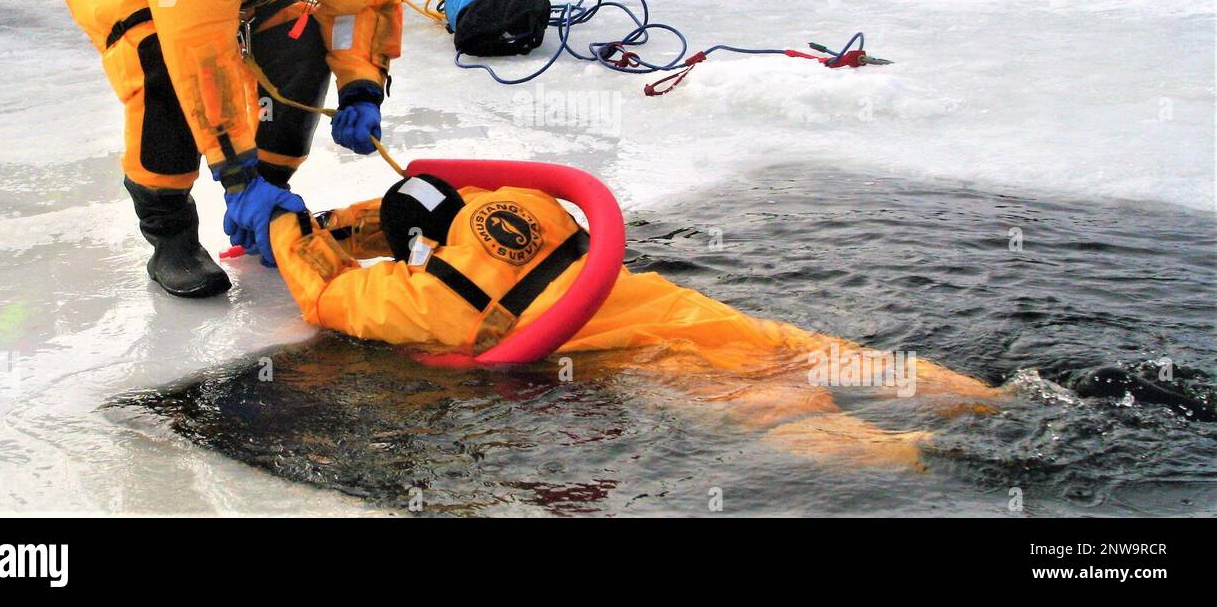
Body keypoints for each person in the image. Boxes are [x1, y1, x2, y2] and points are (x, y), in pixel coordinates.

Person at [258, 172, 1001, 467]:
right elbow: (442, 197)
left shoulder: (427, 299)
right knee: (826, 356)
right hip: (687, 310)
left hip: (644, 356)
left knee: (782, 413)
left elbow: (325, 298)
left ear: (416, 246)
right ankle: (998, 401)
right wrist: (376, 216)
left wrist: (291, 229)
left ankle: (936, 460)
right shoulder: (524, 202)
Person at [55, 0, 404, 299]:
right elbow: (201, 58)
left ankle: (269, 205)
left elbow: (357, 3)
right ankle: (171, 238)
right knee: (161, 70)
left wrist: (362, 87)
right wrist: (237, 177)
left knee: (300, 45)